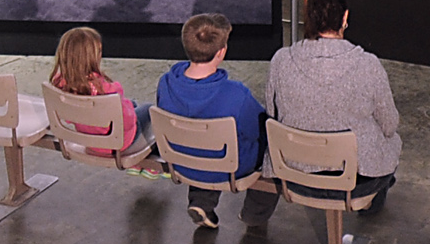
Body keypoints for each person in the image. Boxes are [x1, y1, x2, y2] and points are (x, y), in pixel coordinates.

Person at [266, 0, 400, 220]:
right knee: (391, 142)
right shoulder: (368, 65)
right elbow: (390, 125)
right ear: (345, 18)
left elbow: (272, 115)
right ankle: (372, 207)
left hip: (294, 174)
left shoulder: (281, 60)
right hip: (355, 183)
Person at [156, 12, 279, 230]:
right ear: (221, 52)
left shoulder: (166, 83)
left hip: (182, 161)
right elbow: (255, 130)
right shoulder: (236, 95)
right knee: (271, 141)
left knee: (201, 140)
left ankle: (201, 201)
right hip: (228, 167)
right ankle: (255, 214)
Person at [48, 27, 154, 170]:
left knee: (133, 104)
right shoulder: (107, 91)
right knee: (150, 110)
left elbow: (68, 118)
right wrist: (127, 106)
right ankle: (151, 165)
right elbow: (128, 122)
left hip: (90, 139)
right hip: (117, 144)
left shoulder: (60, 84)